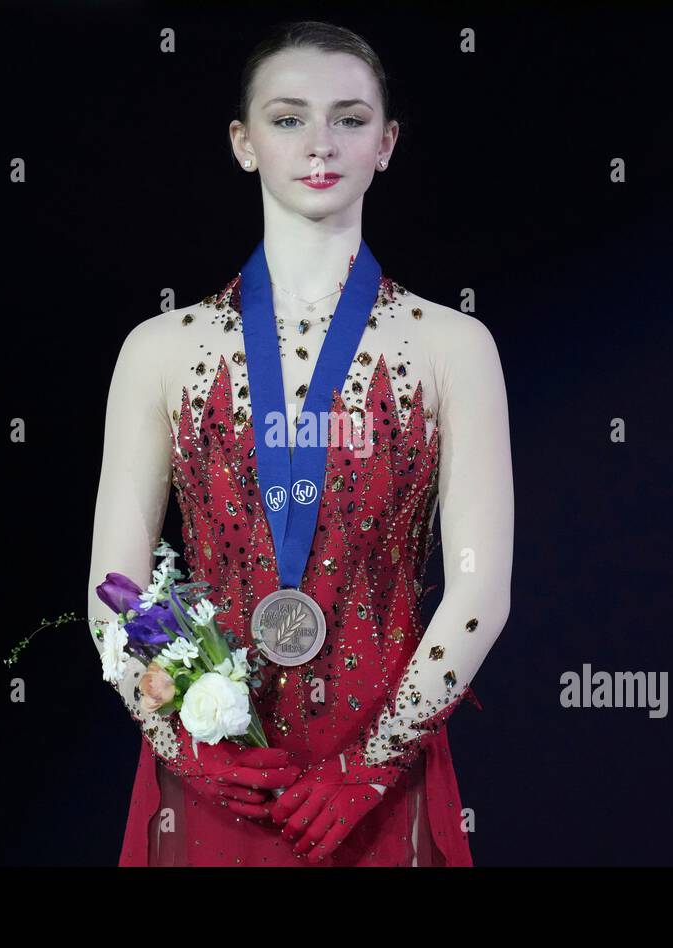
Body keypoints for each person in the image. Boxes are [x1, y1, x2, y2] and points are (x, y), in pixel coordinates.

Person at [86, 20, 513, 866]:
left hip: (381, 773)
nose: (320, 143)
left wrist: (373, 762)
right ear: (243, 143)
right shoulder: (160, 348)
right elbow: (116, 588)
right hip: (218, 771)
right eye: (288, 119)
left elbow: (481, 591)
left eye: (350, 119)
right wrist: (184, 743)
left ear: (387, 143)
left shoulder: (453, 345)